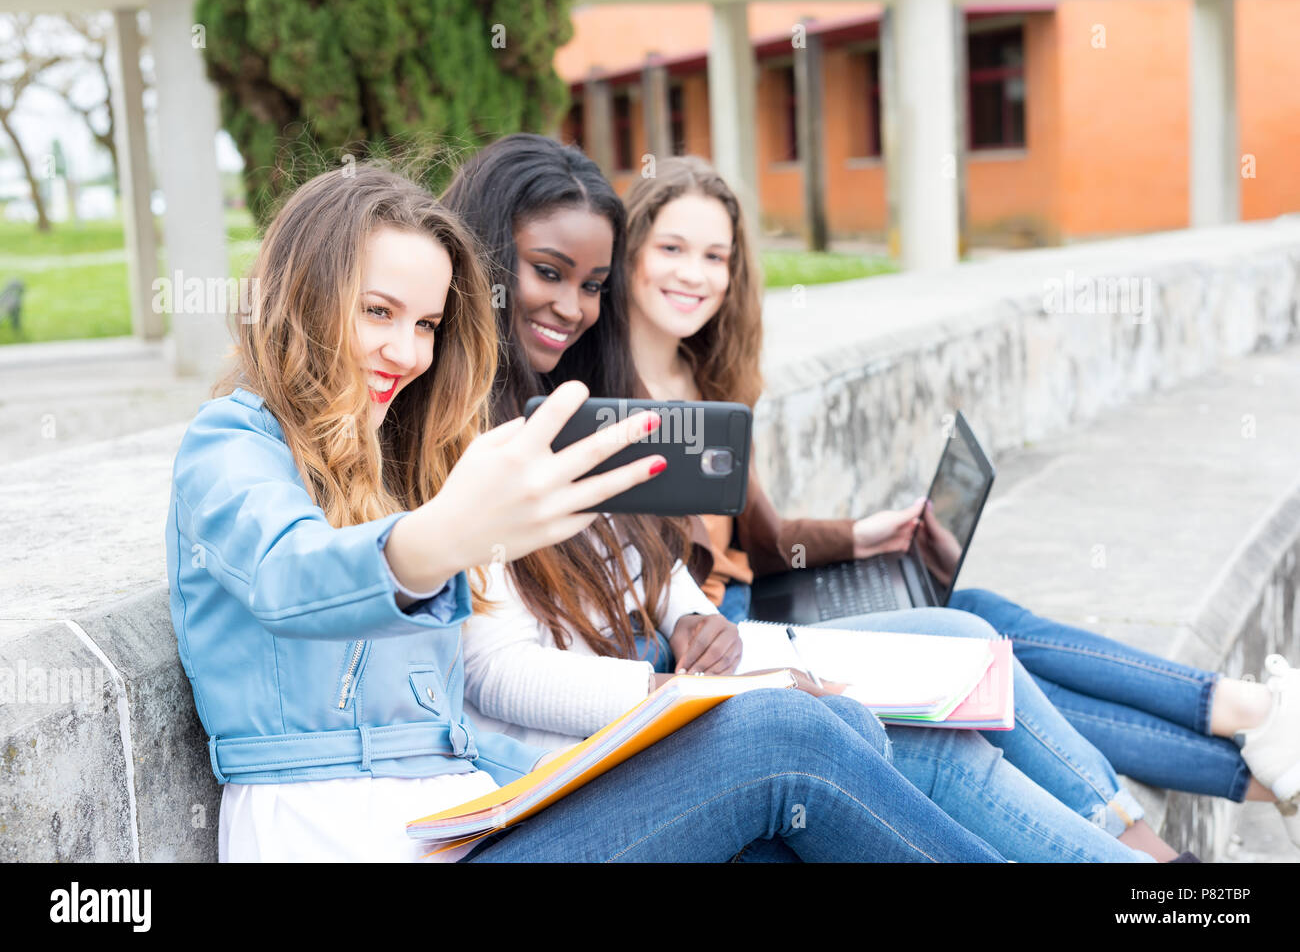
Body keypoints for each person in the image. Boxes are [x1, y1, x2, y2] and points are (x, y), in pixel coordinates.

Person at [164, 160, 1013, 863]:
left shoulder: (394, 454)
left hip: (472, 818)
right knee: (785, 736)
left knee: (823, 748)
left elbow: (458, 729)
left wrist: (646, 732)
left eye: (425, 324)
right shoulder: (232, 448)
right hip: (346, 843)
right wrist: (448, 535)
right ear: (303, 298)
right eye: (377, 313)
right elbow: (292, 578)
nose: (407, 351)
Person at [444, 133, 1157, 862]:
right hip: (594, 737)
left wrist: (691, 617)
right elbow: (497, 671)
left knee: (970, 641)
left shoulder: (584, 396)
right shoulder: (463, 438)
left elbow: (647, 558)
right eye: (547, 273)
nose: (573, 306)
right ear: (488, 264)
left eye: (592, 285)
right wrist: (686, 690)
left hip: (672, 664)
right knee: (900, 714)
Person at [617, 153, 1300, 850]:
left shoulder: (708, 373)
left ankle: (1240, 737)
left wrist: (865, 538)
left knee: (981, 615)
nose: (693, 274)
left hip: (762, 594)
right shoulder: (606, 397)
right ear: (631, 248)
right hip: (725, 630)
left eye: (714, 255)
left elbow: (759, 538)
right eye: (671, 248)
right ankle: (1219, 761)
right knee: (974, 659)